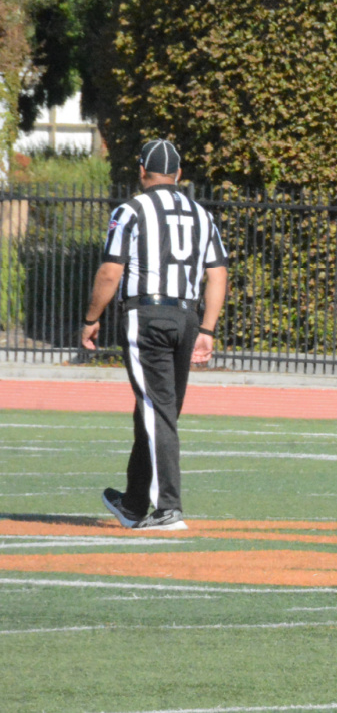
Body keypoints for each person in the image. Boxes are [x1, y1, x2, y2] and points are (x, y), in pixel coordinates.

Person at [89, 139, 229, 532]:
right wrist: (207, 328)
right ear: (179, 174)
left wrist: (91, 317)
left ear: (141, 171)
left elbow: (110, 271)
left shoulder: (131, 209)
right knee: (156, 409)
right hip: (186, 316)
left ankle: (168, 507)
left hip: (147, 313)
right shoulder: (202, 214)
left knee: (158, 410)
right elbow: (217, 274)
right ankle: (134, 503)